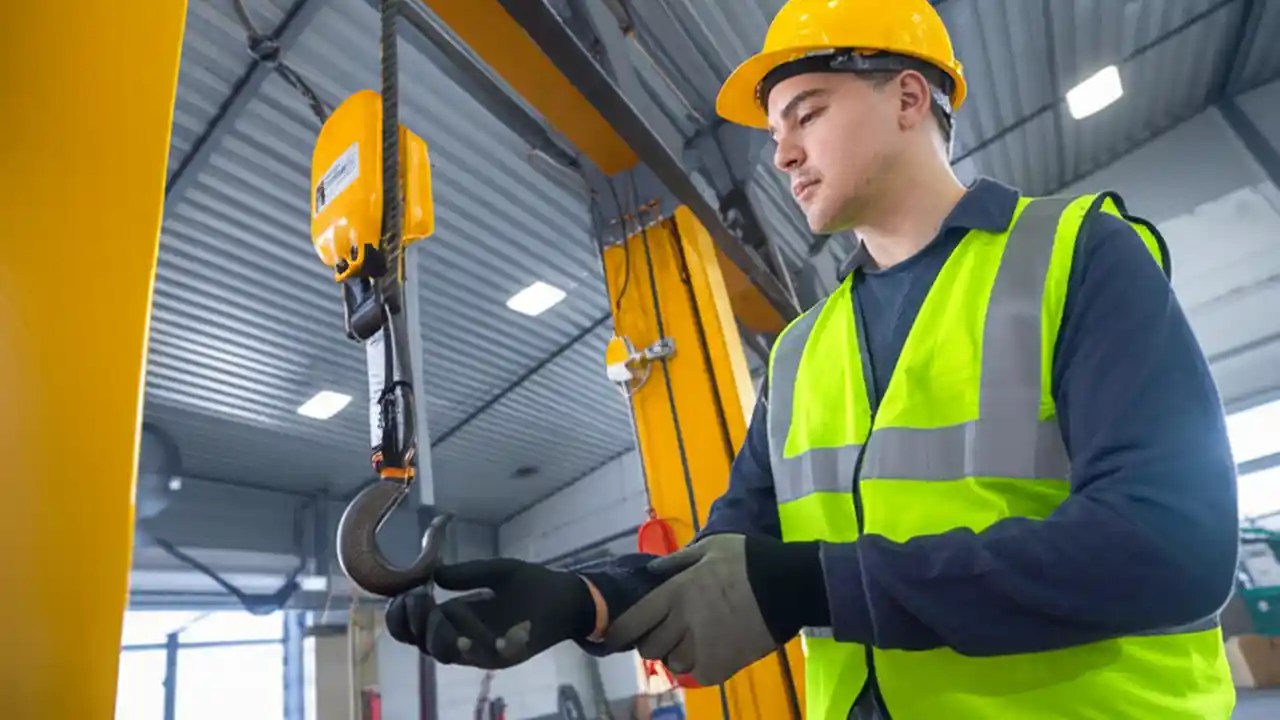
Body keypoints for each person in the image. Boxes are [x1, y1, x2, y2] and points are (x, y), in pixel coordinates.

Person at [386, 0, 1241, 717]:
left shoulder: (1076, 253)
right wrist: (581, 599)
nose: (783, 153)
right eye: (774, 130)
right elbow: (740, 552)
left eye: (809, 112)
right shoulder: (802, 348)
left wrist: (816, 585)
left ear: (910, 97)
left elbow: (1174, 545)